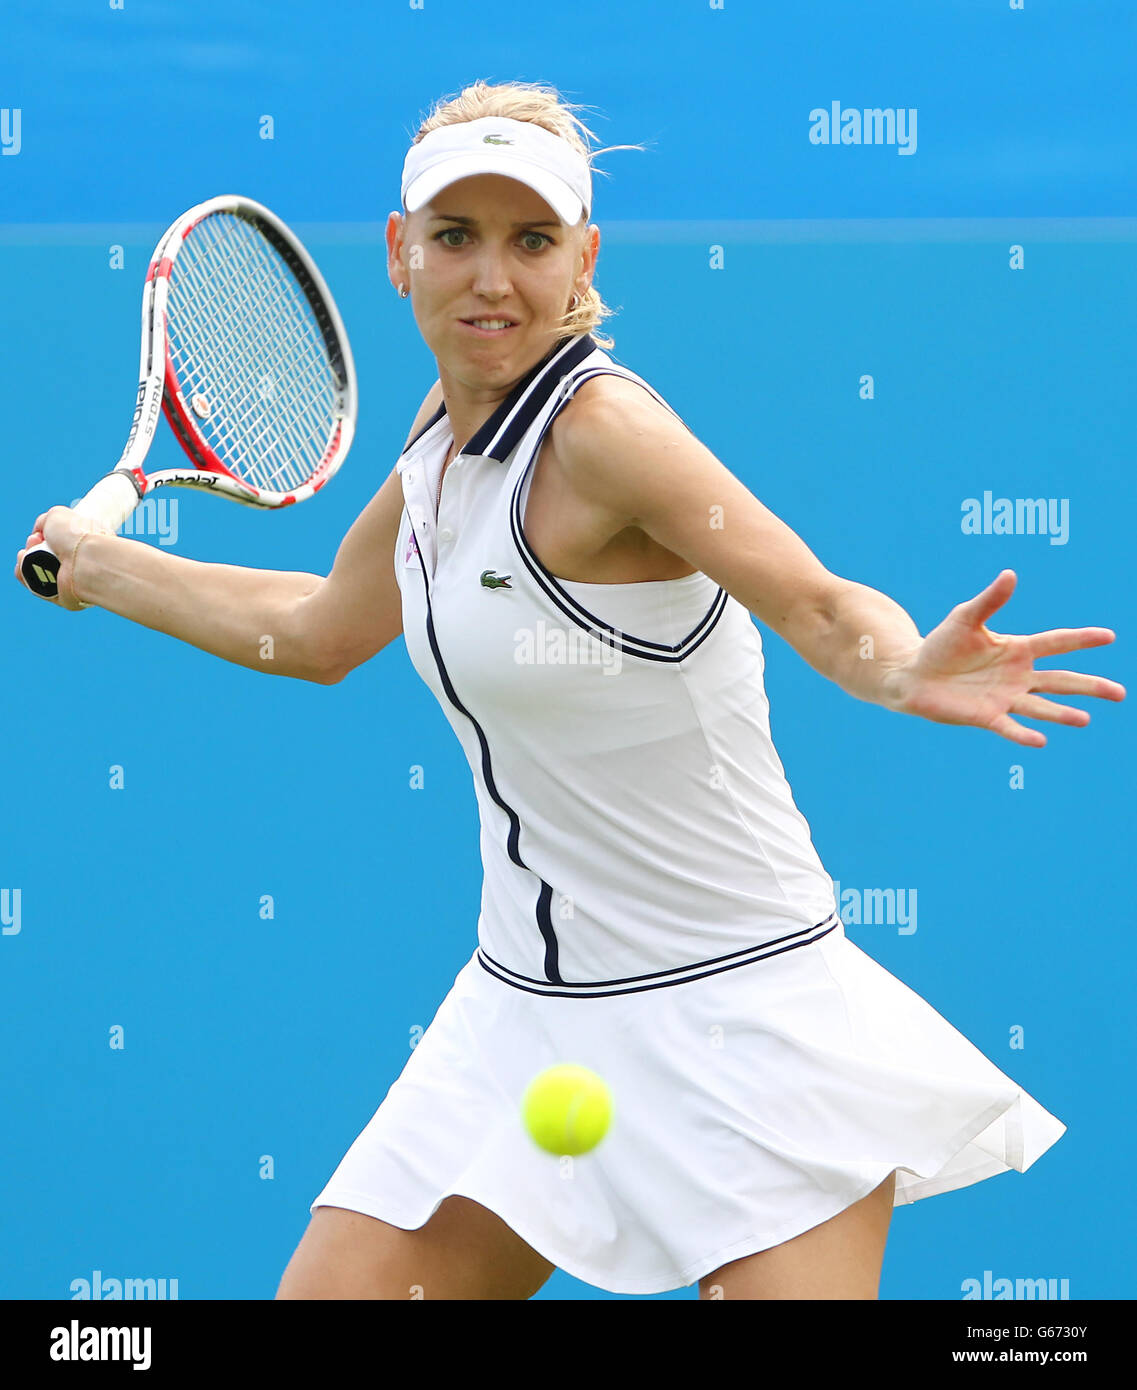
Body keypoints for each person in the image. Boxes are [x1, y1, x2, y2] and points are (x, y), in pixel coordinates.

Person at [16, 80, 1125, 1301]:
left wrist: (902, 662)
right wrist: (110, 567)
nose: (493, 279)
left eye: (532, 241)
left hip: (739, 1013)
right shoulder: (441, 437)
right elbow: (322, 629)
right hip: (522, 1012)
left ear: (582, 257)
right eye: (457, 238)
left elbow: (813, 599)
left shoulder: (606, 433)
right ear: (400, 255)